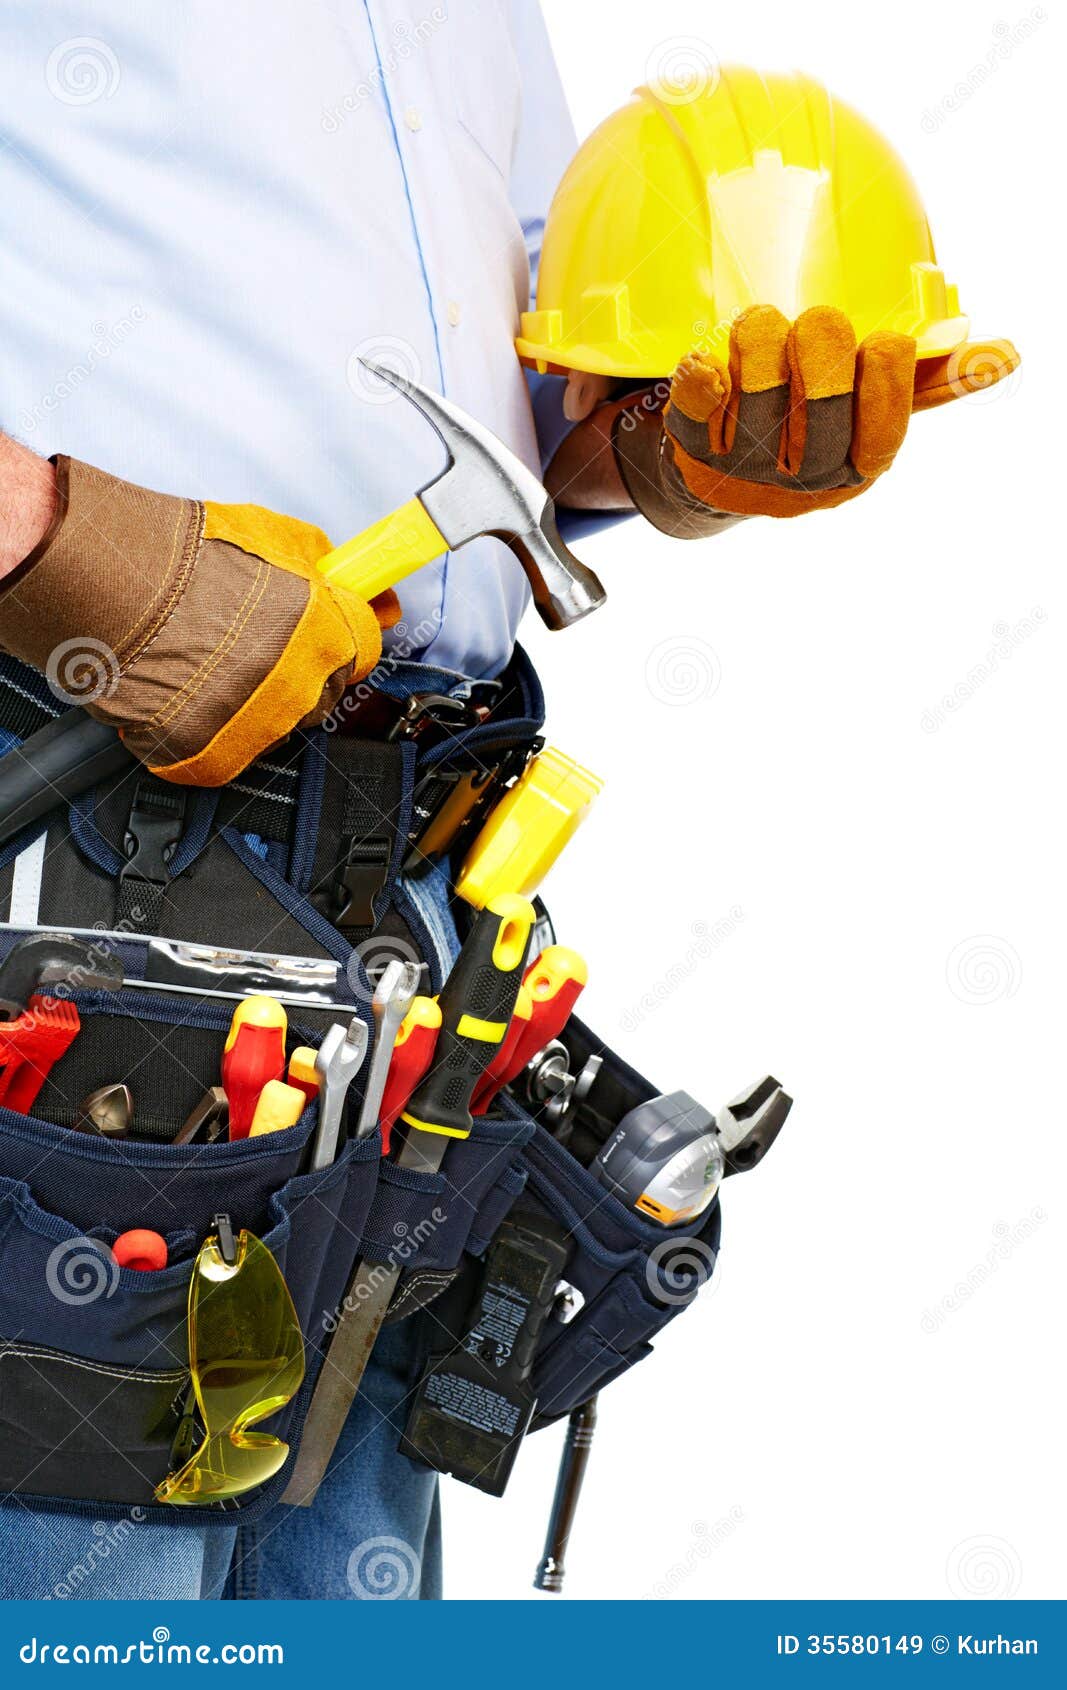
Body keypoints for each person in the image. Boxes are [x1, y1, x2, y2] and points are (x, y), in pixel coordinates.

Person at [0, 8, 1015, 1601]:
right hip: (69, 830)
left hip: (403, 908)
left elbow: (523, 400)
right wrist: (58, 538)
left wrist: (668, 444)